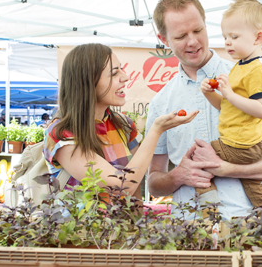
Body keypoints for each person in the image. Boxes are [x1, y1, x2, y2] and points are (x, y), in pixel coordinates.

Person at [145, 0, 262, 220]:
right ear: (164, 39)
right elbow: (154, 184)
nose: (193, 41)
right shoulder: (160, 103)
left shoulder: (249, 74)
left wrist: (229, 169)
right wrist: (179, 176)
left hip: (248, 225)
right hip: (189, 230)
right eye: (180, 36)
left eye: (198, 30)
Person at [44, 43, 195, 196]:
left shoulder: (124, 125)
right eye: (114, 73)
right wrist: (156, 130)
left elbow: (136, 184)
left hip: (124, 220)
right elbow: (123, 186)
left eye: (121, 69)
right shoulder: (62, 134)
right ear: (88, 82)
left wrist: (138, 219)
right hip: (82, 221)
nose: (125, 77)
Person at [197, 0, 262, 208]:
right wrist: (209, 93)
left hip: (242, 144)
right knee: (256, 186)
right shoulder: (241, 65)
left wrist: (229, 94)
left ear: (258, 37)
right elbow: (226, 107)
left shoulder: (259, 68)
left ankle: (210, 216)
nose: (227, 42)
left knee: (198, 162)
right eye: (225, 37)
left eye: (234, 36)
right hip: (246, 142)